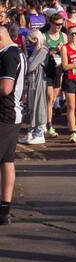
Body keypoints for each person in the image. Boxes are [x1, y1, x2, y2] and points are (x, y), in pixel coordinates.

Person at [0, 21, 25, 224]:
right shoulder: (15, 52)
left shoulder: (9, 55)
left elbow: (5, 88)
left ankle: (4, 208)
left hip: (5, 114)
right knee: (7, 162)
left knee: (6, 161)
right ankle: (4, 208)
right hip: (11, 114)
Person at [23, 28, 49, 144]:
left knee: (39, 105)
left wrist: (27, 68)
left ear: (36, 39)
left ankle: (39, 133)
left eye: (31, 40)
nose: (29, 43)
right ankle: (32, 132)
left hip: (39, 81)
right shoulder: (36, 50)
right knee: (32, 106)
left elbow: (30, 66)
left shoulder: (43, 50)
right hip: (32, 82)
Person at [43, 14, 66, 136]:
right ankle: (48, 125)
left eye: (61, 24)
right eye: (57, 24)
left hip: (59, 70)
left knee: (52, 101)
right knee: (50, 98)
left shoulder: (64, 36)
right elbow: (40, 54)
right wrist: (53, 50)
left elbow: (68, 53)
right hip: (47, 70)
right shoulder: (44, 36)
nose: (59, 27)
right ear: (51, 23)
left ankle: (45, 119)